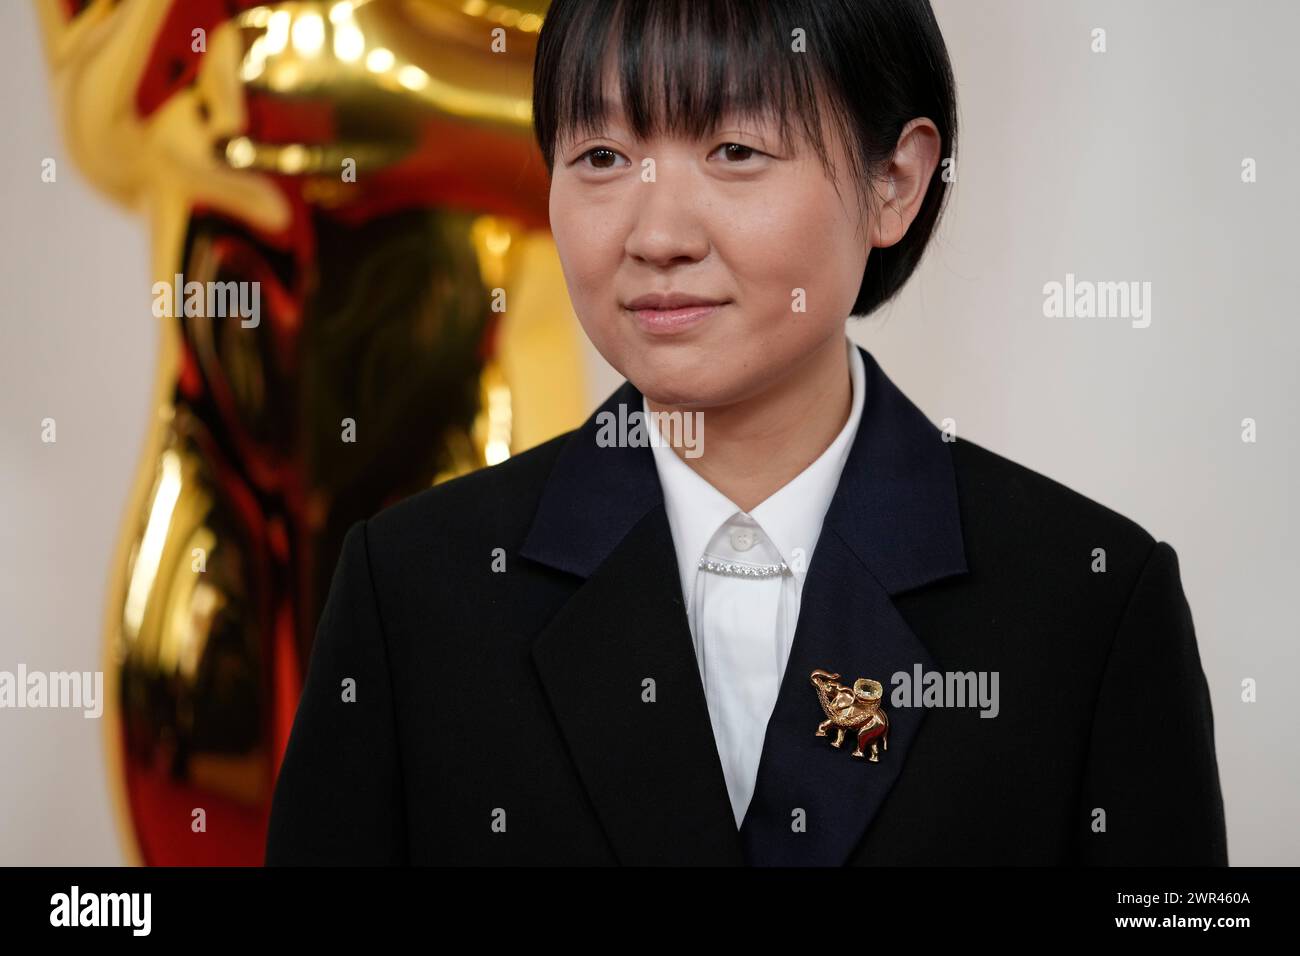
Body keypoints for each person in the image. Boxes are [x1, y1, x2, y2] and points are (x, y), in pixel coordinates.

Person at [265, 0, 1227, 866]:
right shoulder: (414, 591)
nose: (657, 234)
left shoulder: (1086, 602)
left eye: (734, 151)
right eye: (601, 157)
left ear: (894, 180)